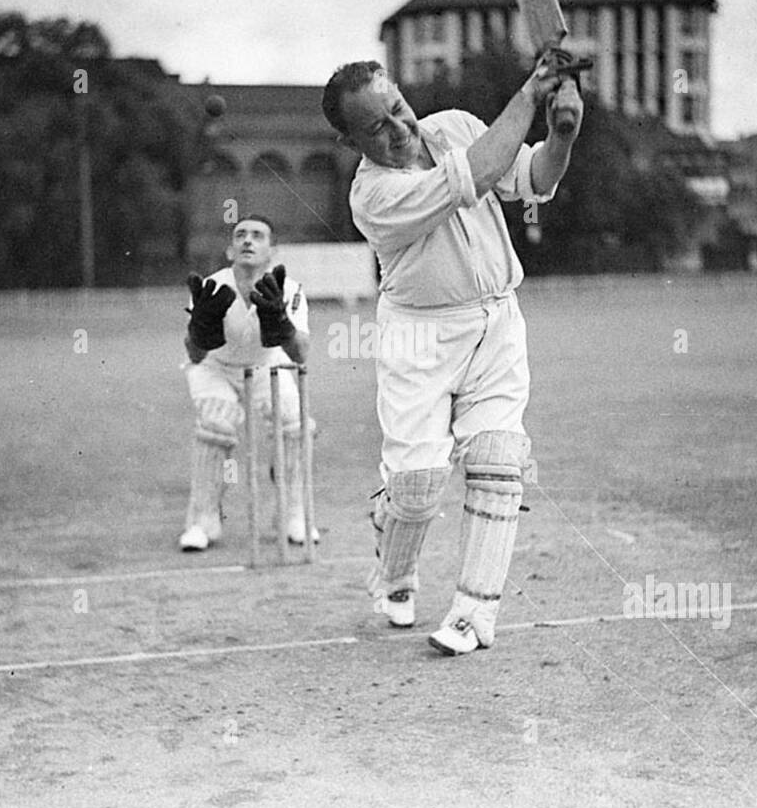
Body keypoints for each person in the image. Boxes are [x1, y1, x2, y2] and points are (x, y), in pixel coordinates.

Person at [320, 58, 581, 655]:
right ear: (350, 142)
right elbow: (479, 173)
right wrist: (530, 91)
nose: (398, 128)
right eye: (376, 127)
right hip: (418, 336)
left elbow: (533, 176)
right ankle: (393, 568)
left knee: (497, 459)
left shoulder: (458, 128)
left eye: (397, 108)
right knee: (417, 487)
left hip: (496, 320)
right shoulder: (373, 193)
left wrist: (562, 134)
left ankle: (473, 614)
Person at [178, 214, 316, 551]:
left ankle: (293, 514)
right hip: (217, 368)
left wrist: (281, 325)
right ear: (230, 250)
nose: (248, 241)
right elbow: (195, 355)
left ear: (272, 250)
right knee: (216, 421)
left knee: (294, 423)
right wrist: (199, 331)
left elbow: (299, 355)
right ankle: (203, 520)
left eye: (258, 235)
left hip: (266, 365)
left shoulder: (289, 289)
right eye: (240, 235)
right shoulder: (212, 287)